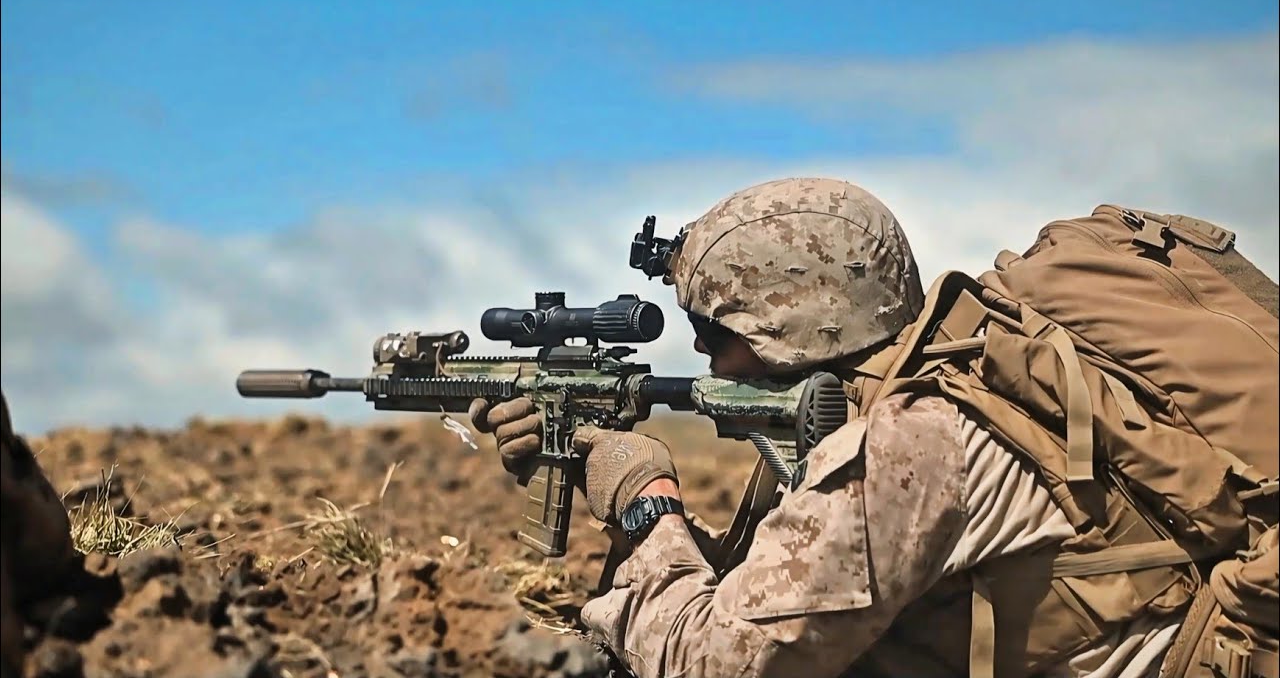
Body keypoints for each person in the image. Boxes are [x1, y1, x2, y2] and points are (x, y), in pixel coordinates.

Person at [469, 177, 1278, 678]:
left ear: (790, 332)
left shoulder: (912, 445)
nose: (707, 362)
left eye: (717, 335)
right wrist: (584, 459)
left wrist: (643, 501)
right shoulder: (968, 376)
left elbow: (711, 662)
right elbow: (784, 593)